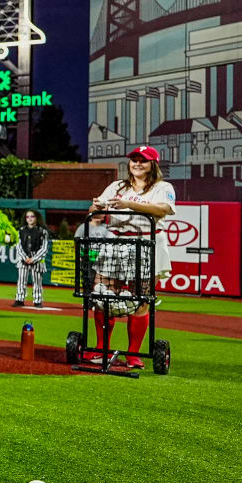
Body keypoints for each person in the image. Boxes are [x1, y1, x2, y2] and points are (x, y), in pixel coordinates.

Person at [86, 145, 176, 370]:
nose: (137, 163)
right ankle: (100, 349)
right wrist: (96, 206)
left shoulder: (162, 187)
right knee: (103, 295)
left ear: (152, 164)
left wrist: (129, 205)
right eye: (134, 159)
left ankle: (133, 355)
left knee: (141, 298)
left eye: (143, 160)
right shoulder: (117, 186)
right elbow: (92, 210)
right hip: (116, 241)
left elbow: (163, 209)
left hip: (147, 242)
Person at [13, 210, 49, 309]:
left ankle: (37, 300)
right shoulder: (20, 230)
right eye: (27, 217)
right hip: (23, 258)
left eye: (32, 216)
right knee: (21, 280)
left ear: (37, 218)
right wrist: (25, 257)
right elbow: (18, 246)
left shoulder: (43, 231)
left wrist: (33, 259)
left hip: (36, 259)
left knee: (37, 281)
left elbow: (44, 248)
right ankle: (19, 299)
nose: (30, 218)